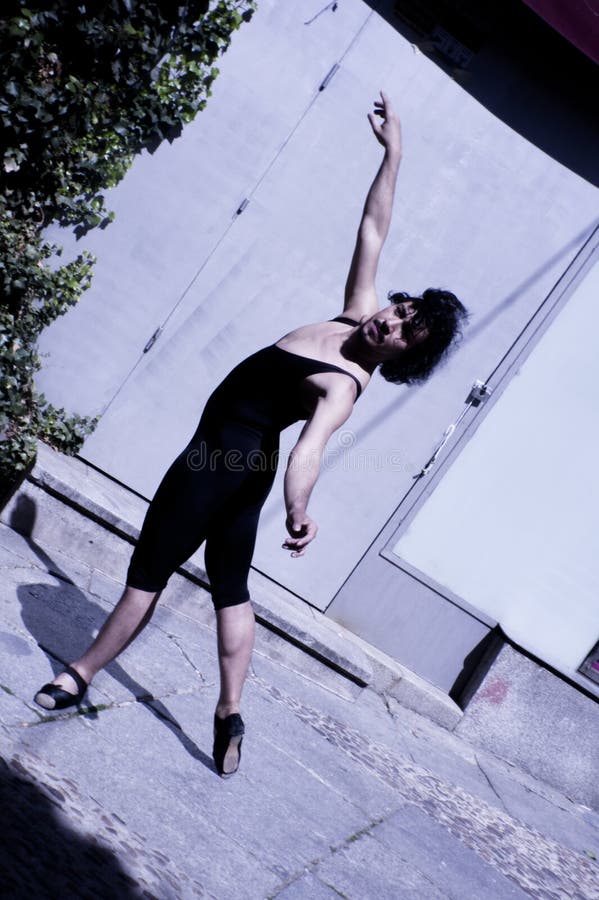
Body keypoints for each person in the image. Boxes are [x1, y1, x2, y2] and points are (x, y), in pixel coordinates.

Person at [35, 93, 467, 777]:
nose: (389, 320)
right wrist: (394, 154)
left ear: (400, 358)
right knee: (230, 586)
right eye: (400, 309)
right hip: (246, 470)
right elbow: (373, 229)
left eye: (403, 332)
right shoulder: (353, 312)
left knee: (147, 573)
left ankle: (79, 674)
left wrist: (299, 511)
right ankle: (229, 713)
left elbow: (310, 449)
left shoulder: (342, 384)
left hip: (218, 461)